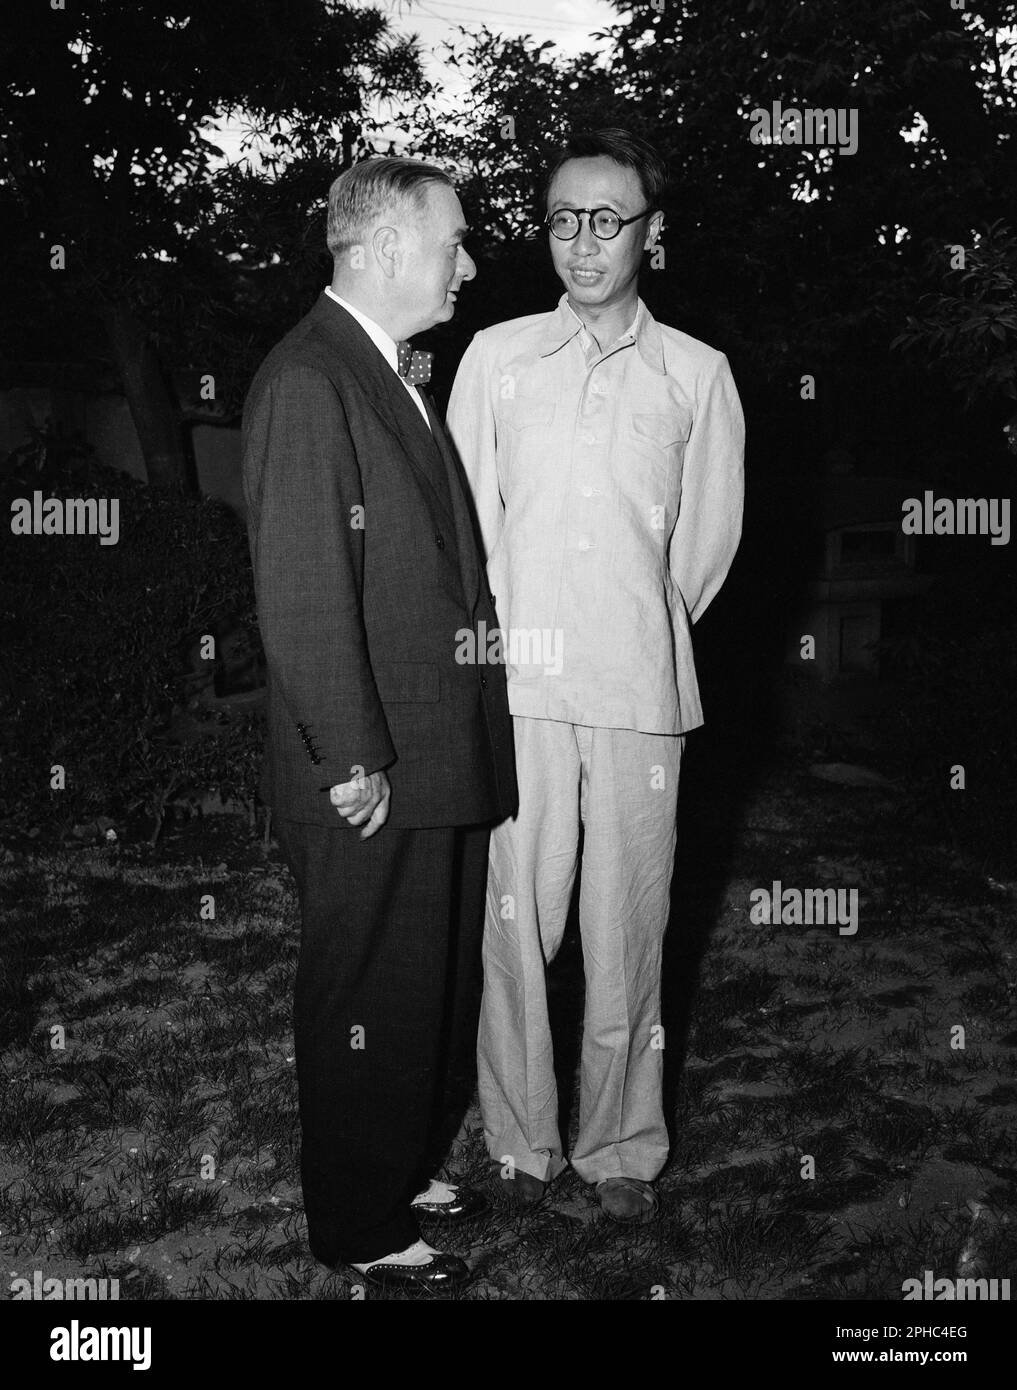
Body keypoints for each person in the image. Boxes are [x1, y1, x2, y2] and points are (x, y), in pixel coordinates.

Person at [447, 128, 744, 1223]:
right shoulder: (496, 358)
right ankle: (518, 1138)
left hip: (636, 695)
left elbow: (700, 553)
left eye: (608, 220)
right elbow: (468, 531)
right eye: (563, 218)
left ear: (650, 235)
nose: (582, 242)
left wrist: (629, 630)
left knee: (628, 926)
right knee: (515, 922)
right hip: (518, 690)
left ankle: (619, 1146)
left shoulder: (698, 375)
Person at [242, 157, 517, 1288]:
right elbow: (303, 587)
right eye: (454, 241)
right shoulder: (311, 378)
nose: (469, 264)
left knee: (422, 981)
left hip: (430, 746)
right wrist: (351, 757)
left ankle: (397, 1163)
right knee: (367, 986)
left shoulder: (383, 368)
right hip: (373, 765)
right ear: (386, 246)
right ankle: (359, 1223)